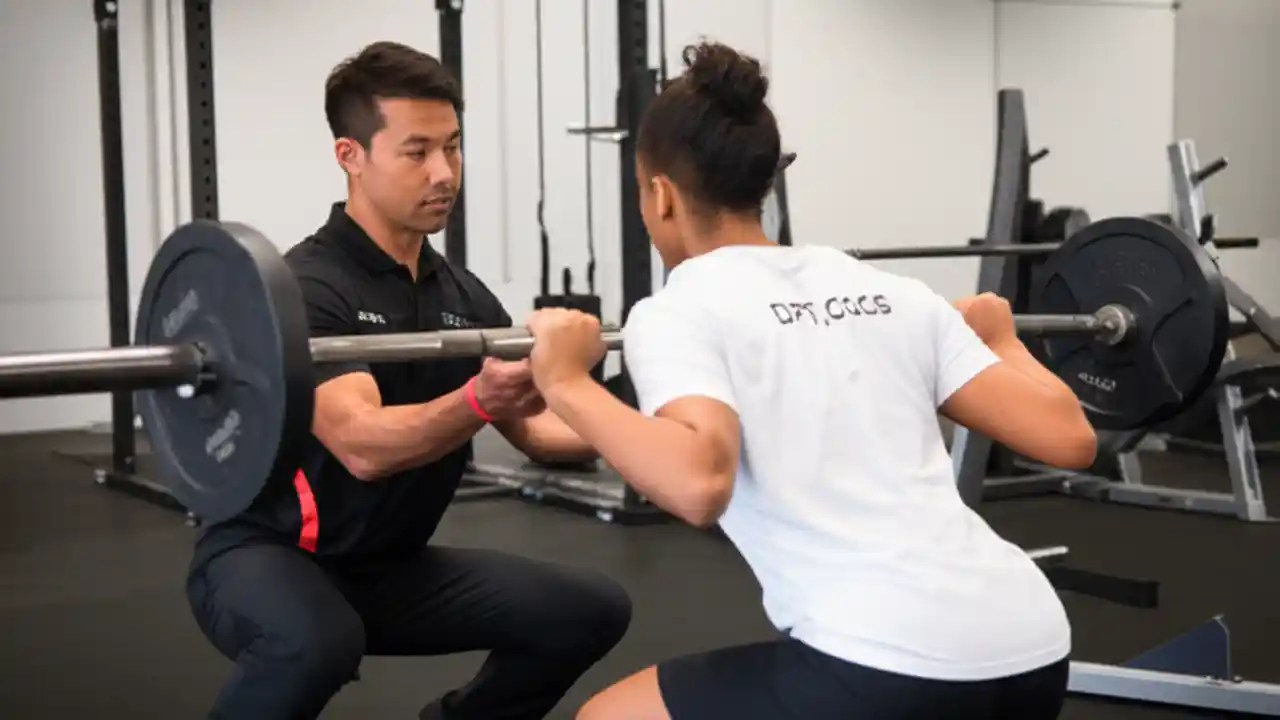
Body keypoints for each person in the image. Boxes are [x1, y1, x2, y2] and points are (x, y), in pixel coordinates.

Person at [522, 41, 1097, 720]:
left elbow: (698, 484)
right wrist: (1002, 342)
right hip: (1035, 649)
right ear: (764, 182)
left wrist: (564, 379)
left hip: (892, 672)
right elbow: (1069, 438)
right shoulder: (890, 291)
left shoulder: (680, 307)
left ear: (660, 194)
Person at [184, 41, 631, 720]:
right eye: (417, 152)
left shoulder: (462, 296)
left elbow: (541, 434)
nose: (445, 172)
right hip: (264, 558)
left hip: (386, 570)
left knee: (589, 609)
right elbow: (364, 445)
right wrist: (480, 398)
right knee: (317, 643)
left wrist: (660, 421)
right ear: (350, 156)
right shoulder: (308, 286)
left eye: (453, 147)